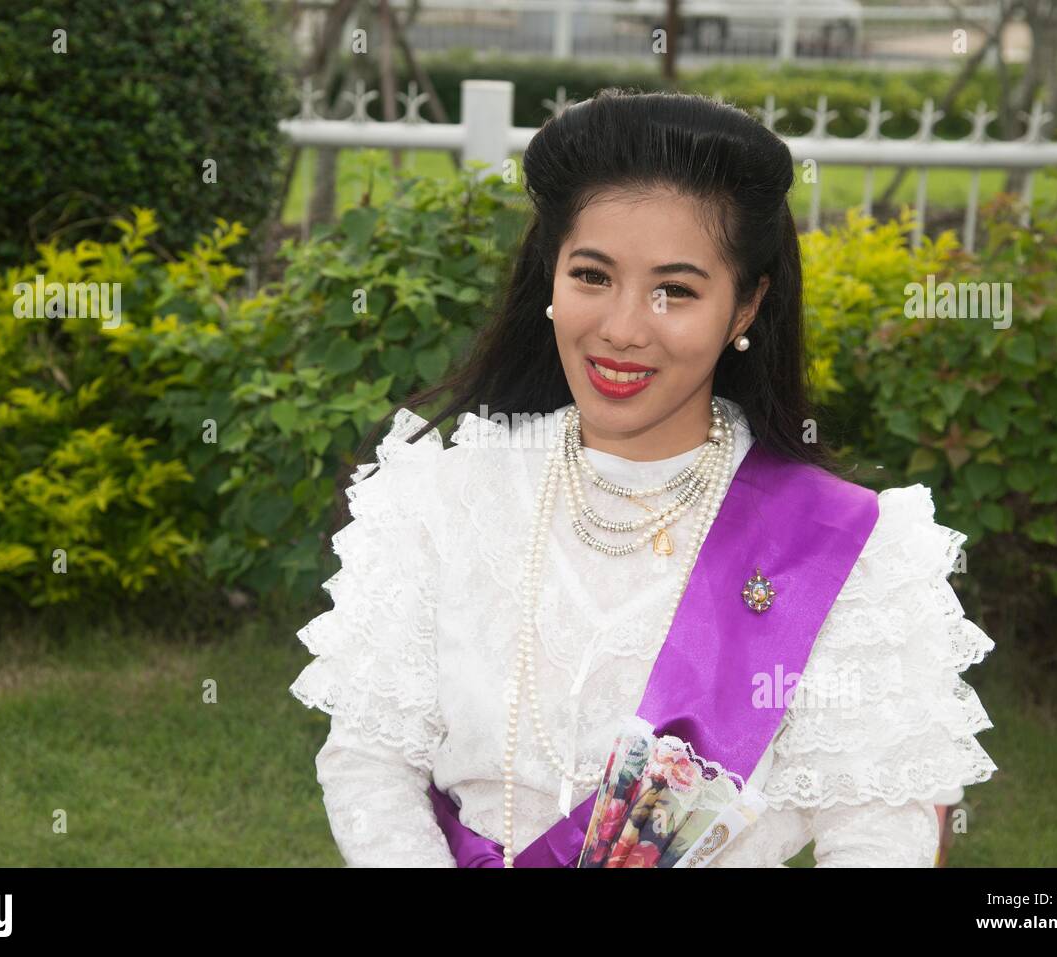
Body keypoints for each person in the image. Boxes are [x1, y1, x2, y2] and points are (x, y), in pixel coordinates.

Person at [289, 89, 998, 868]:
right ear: (551, 278)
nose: (623, 327)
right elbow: (371, 763)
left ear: (745, 307)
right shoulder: (444, 498)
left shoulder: (846, 553)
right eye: (592, 275)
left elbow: (879, 832)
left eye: (676, 291)